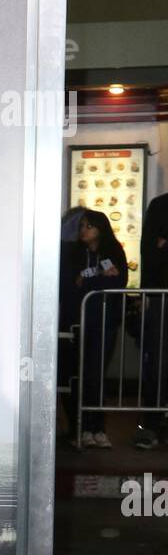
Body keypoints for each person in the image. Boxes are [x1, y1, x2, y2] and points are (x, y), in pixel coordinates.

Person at [64, 209, 128, 450]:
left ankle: (98, 427)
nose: (83, 231)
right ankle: (81, 428)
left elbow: (118, 281)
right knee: (80, 375)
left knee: (97, 374)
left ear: (100, 228)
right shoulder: (75, 254)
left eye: (89, 226)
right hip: (80, 321)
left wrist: (89, 281)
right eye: (81, 226)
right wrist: (99, 278)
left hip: (105, 321)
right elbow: (74, 284)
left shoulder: (112, 251)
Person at [135, 191, 168, 449]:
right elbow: (149, 249)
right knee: (157, 360)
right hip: (161, 296)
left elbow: (156, 247)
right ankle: (152, 424)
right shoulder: (160, 205)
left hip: (159, 293)